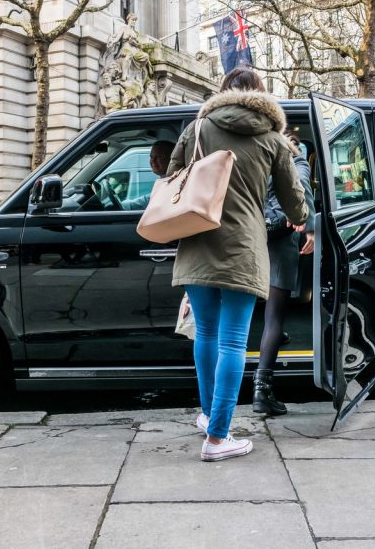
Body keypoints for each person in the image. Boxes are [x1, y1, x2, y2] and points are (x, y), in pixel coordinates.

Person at [169, 67, 308, 462]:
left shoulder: (197, 128)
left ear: (222, 92)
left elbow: (170, 174)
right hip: (244, 248)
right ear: (261, 95)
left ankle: (211, 416)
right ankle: (217, 439)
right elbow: (294, 201)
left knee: (206, 336)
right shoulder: (273, 139)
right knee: (232, 340)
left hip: (197, 238)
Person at [254, 128, 315, 415]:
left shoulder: (257, 156)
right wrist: (311, 228)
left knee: (240, 313)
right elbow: (300, 195)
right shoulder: (296, 161)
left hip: (250, 240)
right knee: (274, 316)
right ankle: (262, 391)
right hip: (280, 243)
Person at [120, 140, 174, 211]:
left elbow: (149, 201)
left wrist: (126, 205)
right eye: (151, 157)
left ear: (171, 158)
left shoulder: (173, 182)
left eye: (158, 157)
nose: (153, 161)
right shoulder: (164, 180)